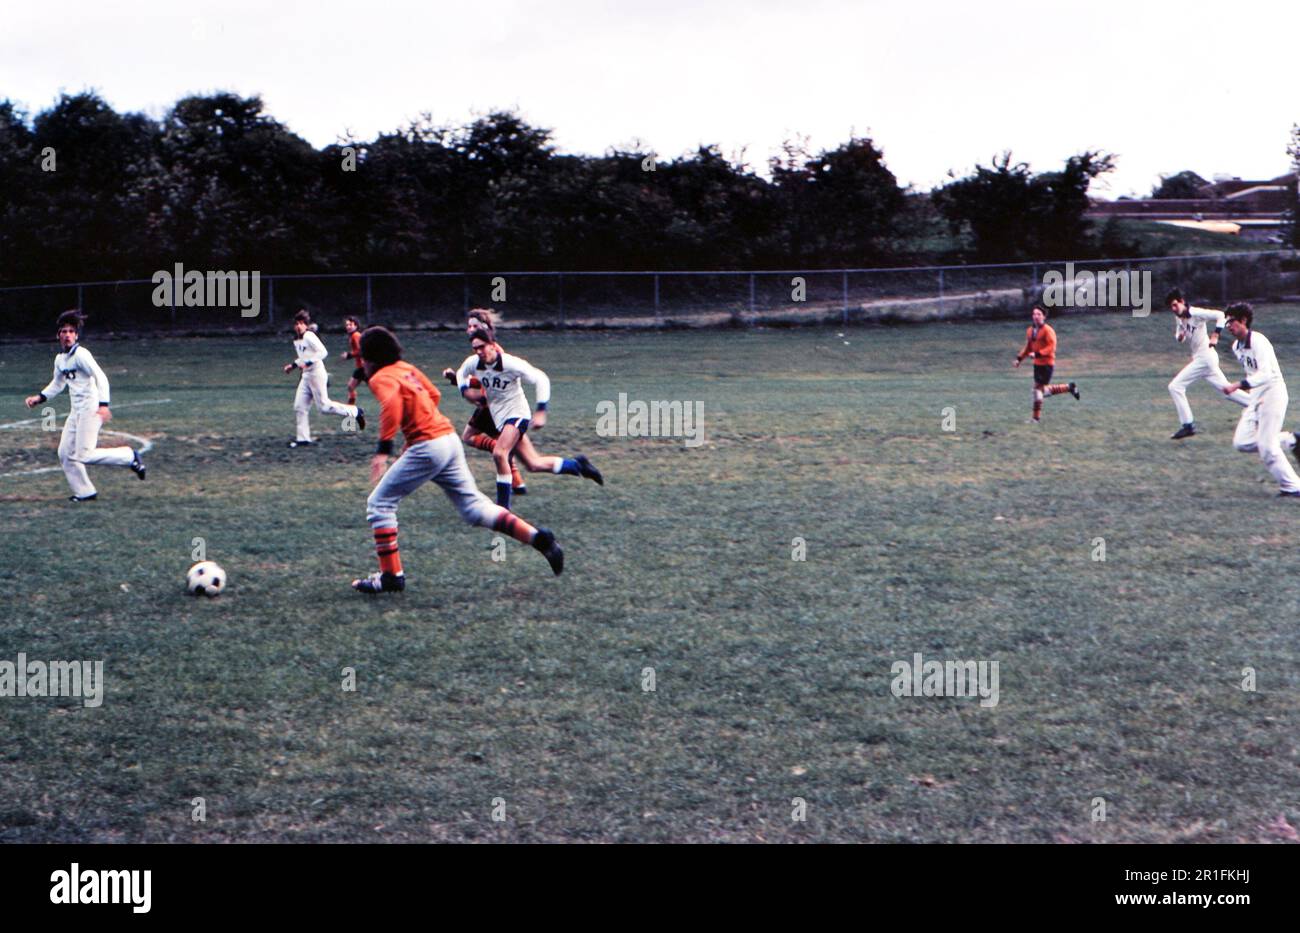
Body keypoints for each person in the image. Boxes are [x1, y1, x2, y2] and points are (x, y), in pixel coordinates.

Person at [352, 326, 564, 593]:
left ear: (371, 357)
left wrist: (384, 449)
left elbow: (392, 405)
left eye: (362, 356)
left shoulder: (380, 377)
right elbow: (433, 394)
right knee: (473, 507)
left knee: (379, 504)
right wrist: (418, 425)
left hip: (428, 446)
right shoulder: (406, 368)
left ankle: (391, 576)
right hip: (448, 440)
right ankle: (539, 539)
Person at [454, 323, 603, 508]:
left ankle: (502, 510)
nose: (479, 352)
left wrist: (541, 410)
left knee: (500, 454)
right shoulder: (473, 363)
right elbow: (461, 373)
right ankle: (578, 466)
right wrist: (464, 390)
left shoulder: (510, 363)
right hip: (500, 418)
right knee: (533, 464)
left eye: (482, 347)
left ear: (492, 344)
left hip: (517, 414)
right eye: (475, 348)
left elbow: (541, 378)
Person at [22, 309, 145, 500]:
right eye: (64, 331)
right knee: (65, 454)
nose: (68, 335)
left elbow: (101, 377)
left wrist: (103, 405)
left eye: (71, 331)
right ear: (58, 335)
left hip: (91, 408)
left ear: (76, 335)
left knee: (85, 454)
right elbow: (58, 383)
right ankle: (85, 492)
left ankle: (130, 457)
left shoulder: (81, 354)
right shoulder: (60, 359)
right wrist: (40, 398)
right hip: (76, 411)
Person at [442, 309, 526, 495]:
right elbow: (480, 380)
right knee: (521, 456)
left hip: (493, 406)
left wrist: (458, 380)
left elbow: (486, 381)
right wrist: (457, 379)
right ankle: (517, 483)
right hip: (493, 406)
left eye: (475, 326)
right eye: (469, 326)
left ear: (485, 328)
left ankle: (513, 486)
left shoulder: (494, 352)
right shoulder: (483, 350)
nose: (470, 329)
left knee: (471, 438)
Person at [1221, 302, 1300, 496]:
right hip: (1257, 398)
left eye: (1231, 322)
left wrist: (1238, 385)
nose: (1228, 326)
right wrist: (1251, 397)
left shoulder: (1258, 341)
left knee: (1267, 447)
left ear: (1244, 321)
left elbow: (1266, 374)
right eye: (1227, 323)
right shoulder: (1236, 346)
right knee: (1242, 442)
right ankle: (1292, 440)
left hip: (1273, 393)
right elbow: (1252, 373)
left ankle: (1293, 487)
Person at [1164, 288, 1249, 439]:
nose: (1174, 309)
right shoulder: (1179, 317)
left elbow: (1220, 315)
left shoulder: (1196, 313)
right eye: (1171, 307)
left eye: (1175, 305)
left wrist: (1215, 335)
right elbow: (1179, 334)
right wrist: (1180, 336)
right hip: (1203, 358)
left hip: (1205, 358)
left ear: (1182, 301)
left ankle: (1188, 426)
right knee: (1226, 390)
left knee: (1175, 386)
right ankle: (1256, 404)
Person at [283, 309, 364, 448]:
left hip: (316, 373)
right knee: (299, 406)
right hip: (306, 375)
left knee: (324, 407)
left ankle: (355, 411)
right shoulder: (297, 339)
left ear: (306, 325)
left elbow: (323, 352)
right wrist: (293, 365)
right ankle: (303, 439)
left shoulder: (309, 336)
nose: (298, 326)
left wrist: (309, 362)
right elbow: (304, 357)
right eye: (297, 323)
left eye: (302, 323)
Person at [1013, 305, 1079, 423]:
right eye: (1034, 314)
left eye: (1039, 314)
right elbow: (1028, 348)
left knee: (1037, 390)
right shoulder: (1030, 331)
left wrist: (1038, 354)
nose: (1036, 316)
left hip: (1047, 364)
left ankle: (1035, 418)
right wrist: (1019, 359)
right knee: (1040, 391)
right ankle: (1069, 387)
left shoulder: (1048, 330)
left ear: (1044, 316)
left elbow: (1051, 347)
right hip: (1037, 365)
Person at [341, 315, 364, 406]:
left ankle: (351, 409)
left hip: (363, 367)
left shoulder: (356, 335)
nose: (348, 327)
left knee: (351, 386)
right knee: (350, 386)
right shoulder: (353, 336)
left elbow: (360, 350)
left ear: (356, 326)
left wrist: (349, 355)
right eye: (347, 325)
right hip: (361, 367)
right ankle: (351, 408)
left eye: (350, 325)